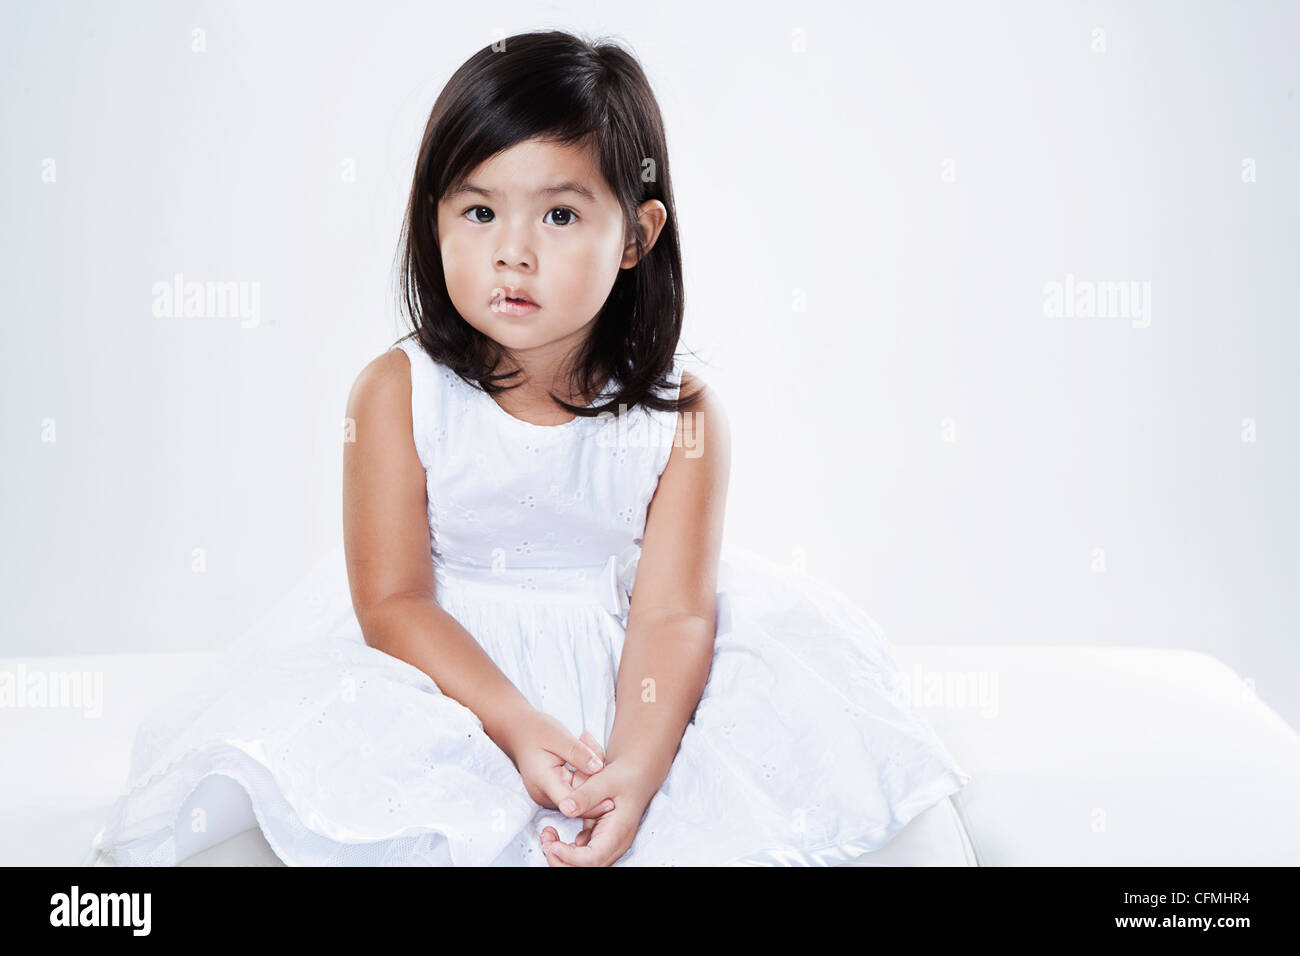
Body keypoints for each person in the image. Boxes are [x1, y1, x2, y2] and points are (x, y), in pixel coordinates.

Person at [87, 28, 970, 868]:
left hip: (631, 679)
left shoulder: (684, 417)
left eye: (557, 214)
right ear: (433, 221)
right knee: (315, 803)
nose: (512, 252)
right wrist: (512, 721)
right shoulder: (398, 393)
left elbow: (674, 616)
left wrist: (634, 767)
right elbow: (393, 601)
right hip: (439, 674)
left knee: (781, 760)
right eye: (478, 210)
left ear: (636, 235)